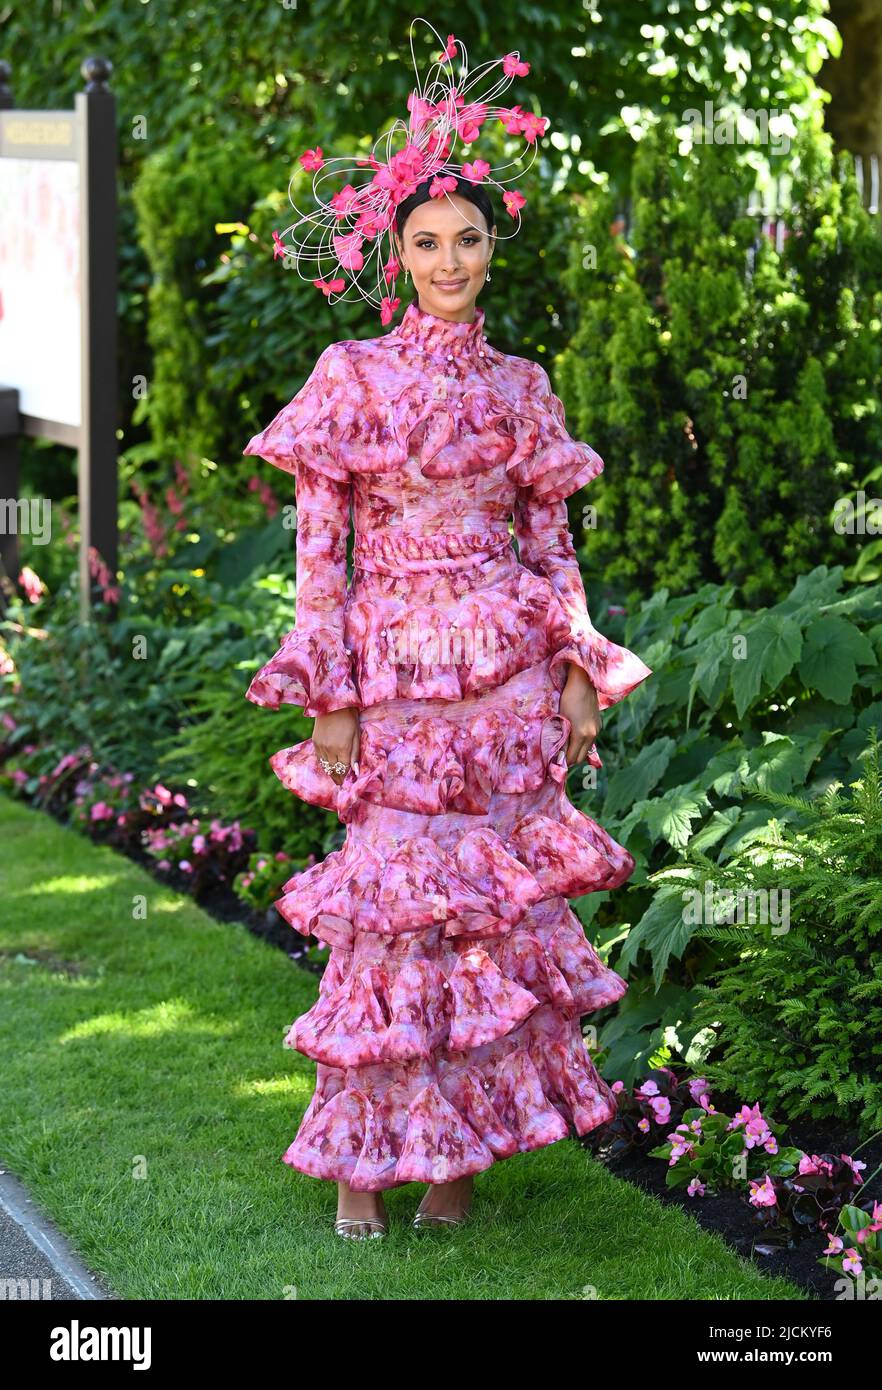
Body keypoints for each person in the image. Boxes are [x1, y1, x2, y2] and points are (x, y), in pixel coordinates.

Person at [242, 21, 652, 1240]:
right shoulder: (351, 377)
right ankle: (365, 1164)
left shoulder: (523, 387)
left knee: (489, 922)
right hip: (396, 675)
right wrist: (329, 690)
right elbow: (322, 553)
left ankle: (460, 1159)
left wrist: (578, 670)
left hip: (510, 684)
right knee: (388, 911)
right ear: (396, 254)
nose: (450, 259)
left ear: (491, 248)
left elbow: (553, 544)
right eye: (427, 242)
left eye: (468, 239)